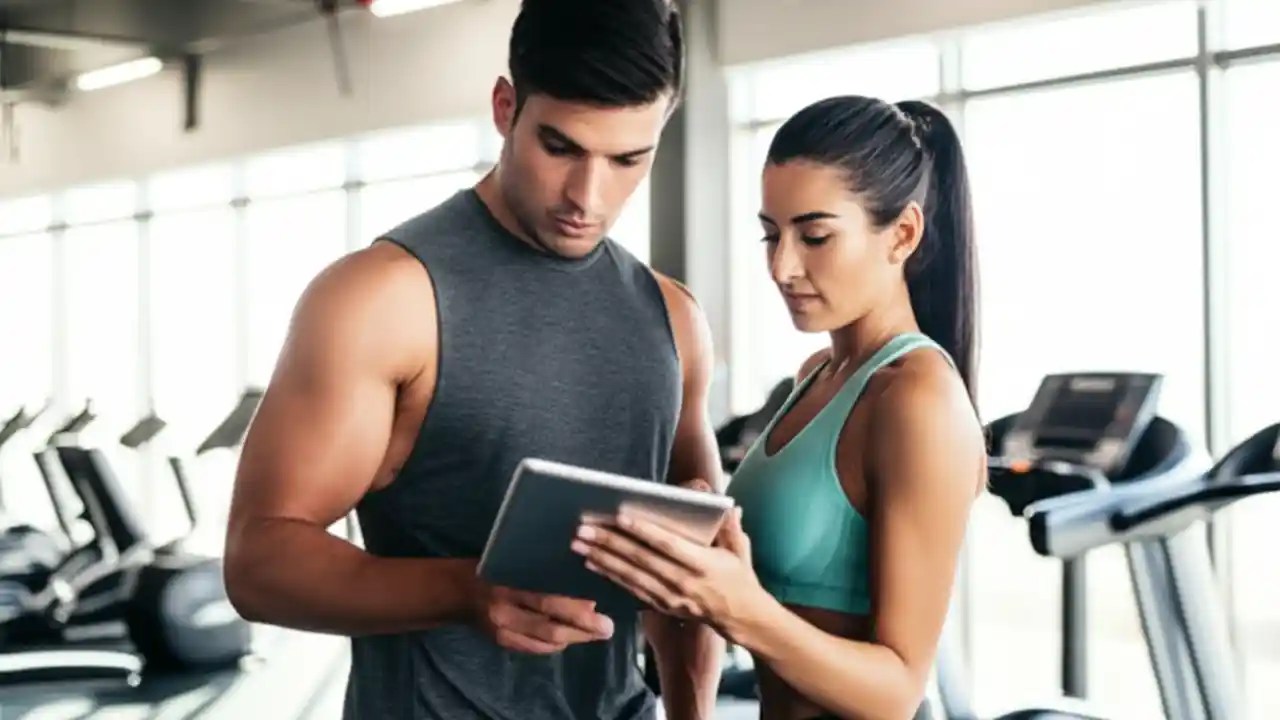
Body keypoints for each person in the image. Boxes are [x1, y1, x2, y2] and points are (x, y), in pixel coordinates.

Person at [222, 1, 726, 718]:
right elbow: (258, 561)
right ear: (505, 107)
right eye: (560, 147)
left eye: (626, 160)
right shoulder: (381, 299)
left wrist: (692, 710)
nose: (588, 196)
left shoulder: (674, 320)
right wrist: (466, 591)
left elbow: (688, 580)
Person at [572, 95, 986, 720]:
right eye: (771, 234)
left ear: (902, 234)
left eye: (815, 236)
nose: (782, 266)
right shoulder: (817, 374)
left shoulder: (917, 397)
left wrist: (738, 606)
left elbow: (897, 691)